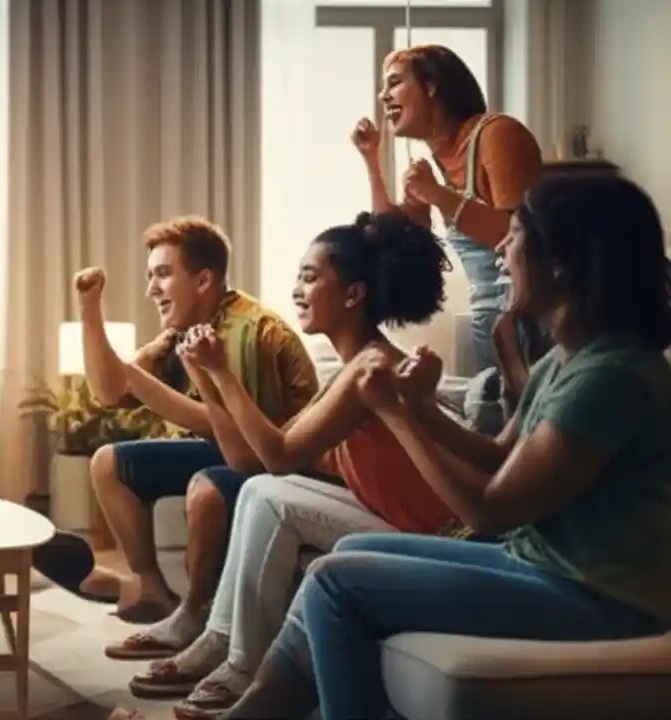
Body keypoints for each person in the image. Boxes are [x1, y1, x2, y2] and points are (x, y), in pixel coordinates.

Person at [223, 175, 671, 720]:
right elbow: (500, 456)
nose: (500, 252)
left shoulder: (613, 376)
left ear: (562, 263)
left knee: (336, 584)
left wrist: (396, 413)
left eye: (514, 237)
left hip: (600, 596)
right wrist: (422, 407)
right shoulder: (567, 360)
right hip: (540, 564)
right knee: (343, 557)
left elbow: (487, 506)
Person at [110, 211, 462, 719]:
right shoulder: (354, 367)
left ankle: (237, 663)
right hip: (387, 516)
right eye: (298, 275)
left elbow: (275, 456)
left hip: (424, 535)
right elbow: (247, 462)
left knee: (271, 496)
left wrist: (222, 375)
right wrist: (208, 379)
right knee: (260, 493)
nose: (297, 289)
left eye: (311, 276)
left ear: (353, 295)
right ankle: (219, 644)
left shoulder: (369, 367)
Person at [34, 216, 318, 647]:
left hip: (276, 461)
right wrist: (90, 311)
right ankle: (150, 590)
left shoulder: (251, 331)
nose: (151, 289)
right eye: (150, 275)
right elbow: (111, 390)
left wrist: (142, 384)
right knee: (109, 463)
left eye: (163, 274)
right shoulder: (179, 334)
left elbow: (240, 439)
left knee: (206, 486)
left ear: (204, 280)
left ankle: (197, 613)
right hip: (223, 449)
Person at [352, 43, 543, 376]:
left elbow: (522, 238)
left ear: (431, 85)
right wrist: (371, 159)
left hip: (531, 322)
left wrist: (438, 195)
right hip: (490, 322)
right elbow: (392, 239)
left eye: (394, 82)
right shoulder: (434, 165)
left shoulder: (497, 134)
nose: (384, 96)